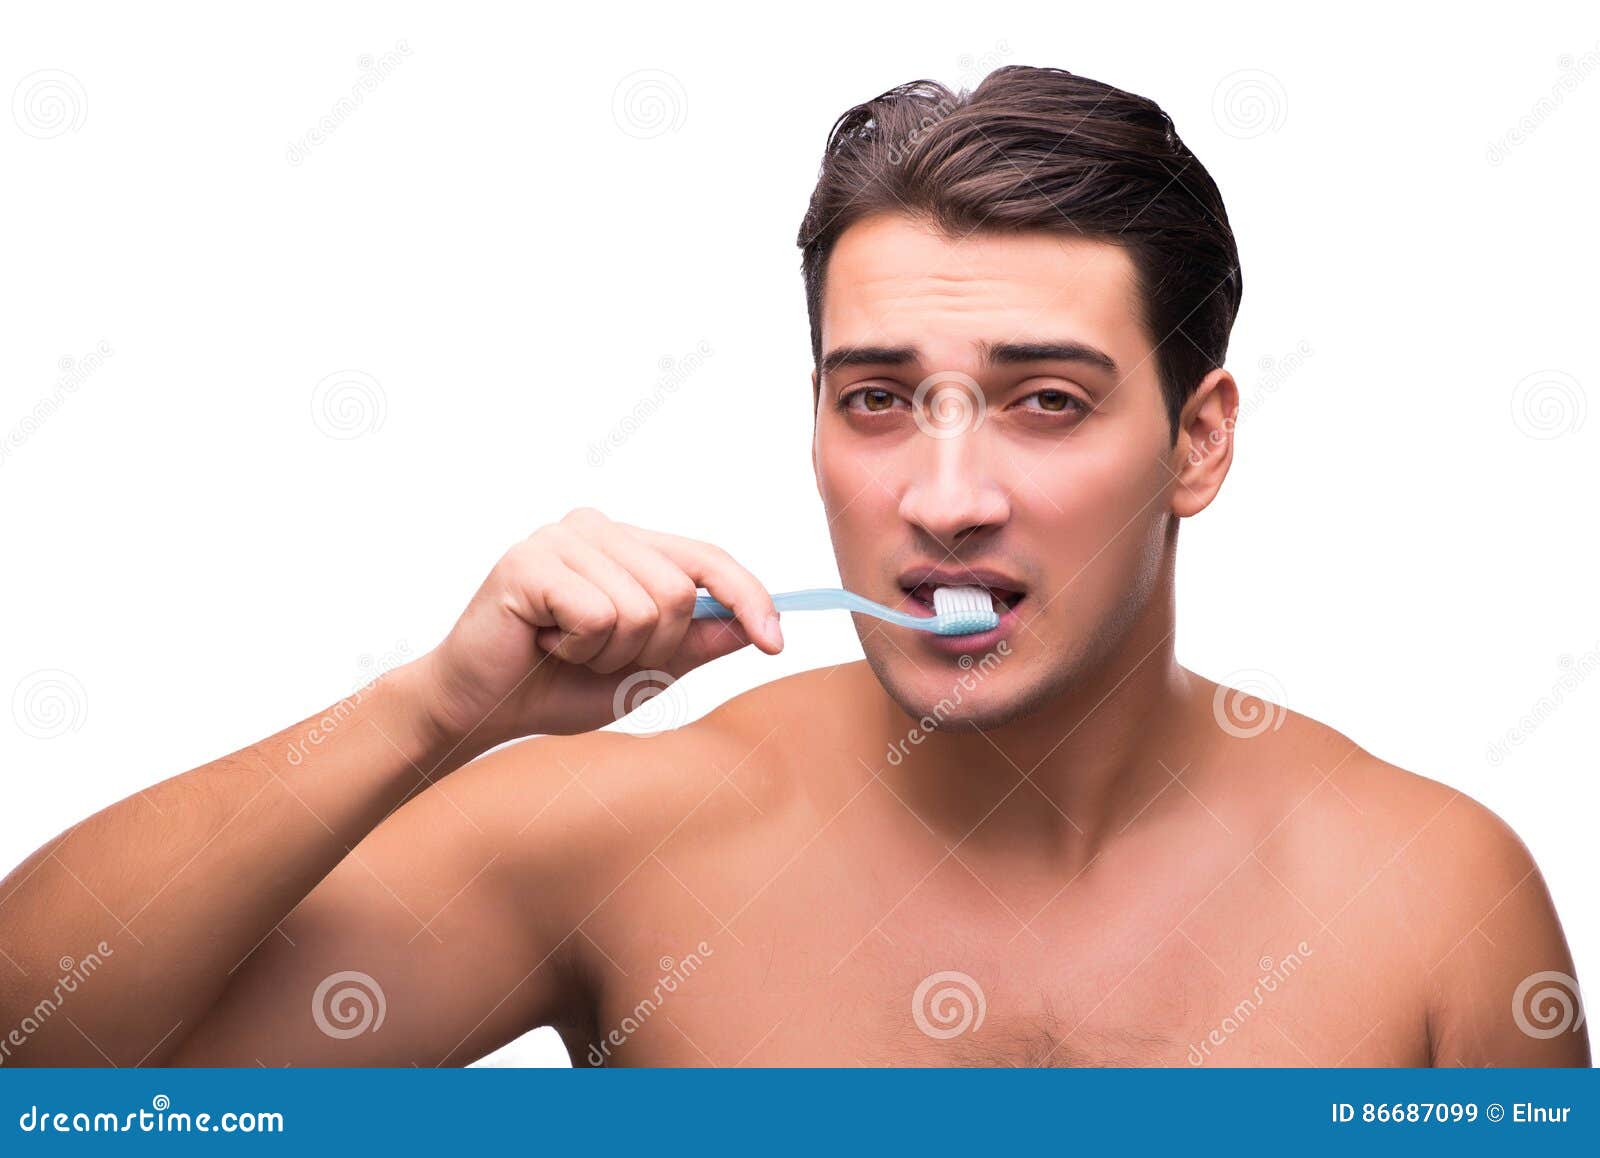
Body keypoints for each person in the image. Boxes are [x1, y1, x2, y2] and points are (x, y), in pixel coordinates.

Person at [0, 66, 1587, 1068]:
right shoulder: (630, 831)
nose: (946, 496)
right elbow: (41, 1070)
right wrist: (429, 713)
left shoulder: (1429, 897)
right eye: (877, 400)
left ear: (1199, 442)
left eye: (1046, 402)